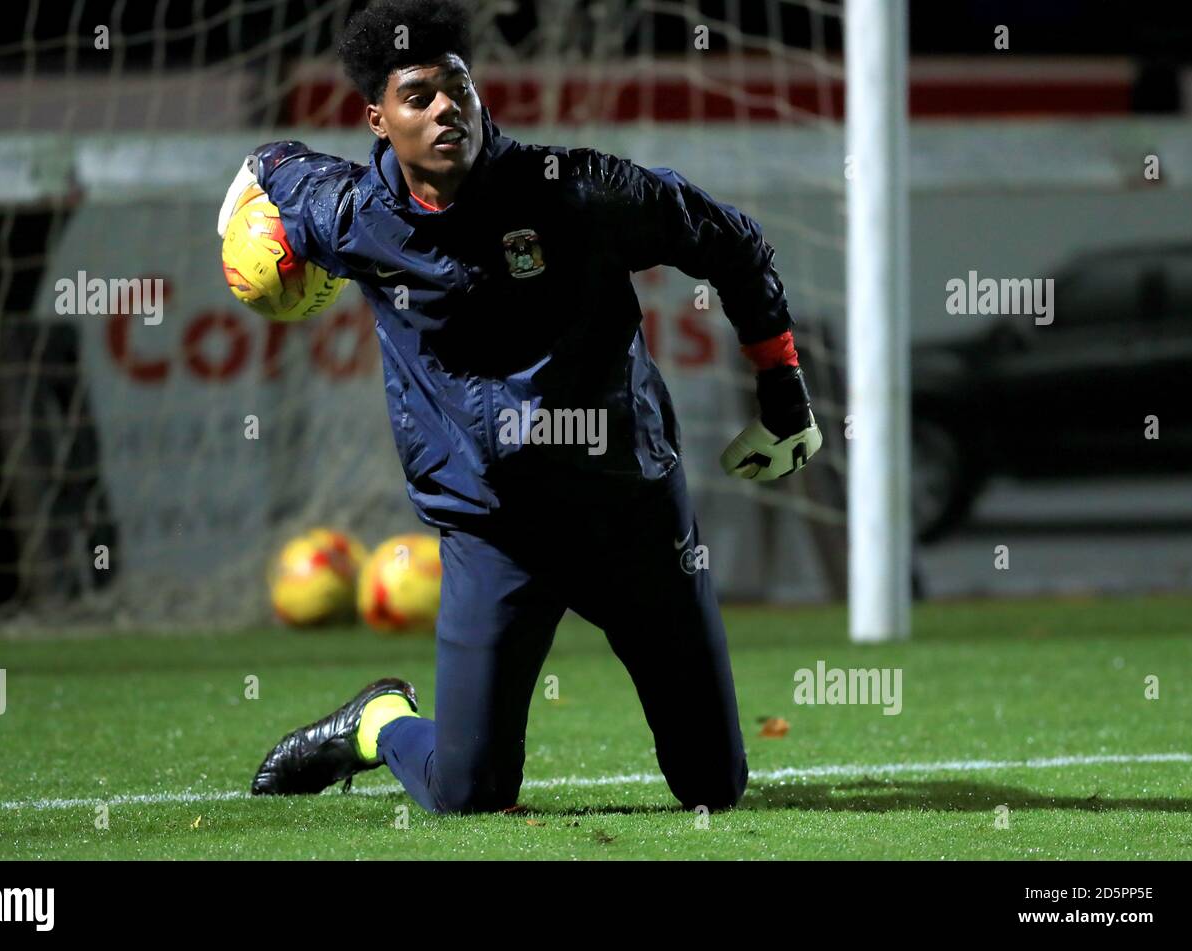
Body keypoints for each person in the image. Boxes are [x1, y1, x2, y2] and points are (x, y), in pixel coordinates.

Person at [220, 0, 821, 815]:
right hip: (495, 532)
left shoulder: (574, 192)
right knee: (468, 794)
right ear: (377, 117)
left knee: (714, 785)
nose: (445, 109)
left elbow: (731, 242)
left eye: (457, 88)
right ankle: (377, 723)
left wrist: (783, 395)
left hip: (631, 513)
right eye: (419, 95)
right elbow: (272, 164)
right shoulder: (353, 218)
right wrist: (246, 219)